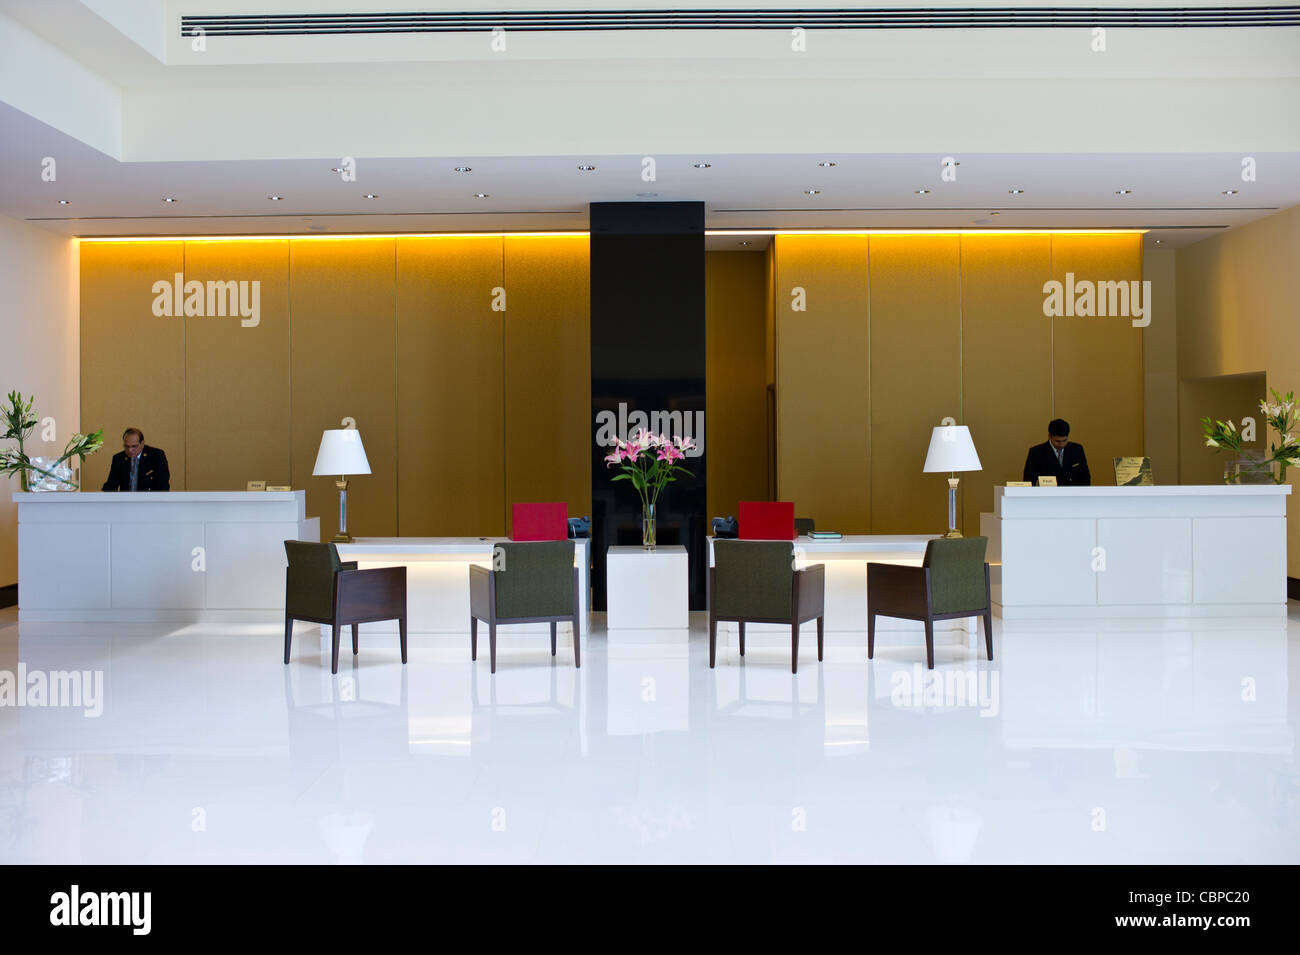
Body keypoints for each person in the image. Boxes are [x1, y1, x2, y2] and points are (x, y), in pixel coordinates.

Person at [1023, 419, 1090, 486]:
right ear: (1049, 436)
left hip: (1072, 494)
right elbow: (1029, 481)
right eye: (1057, 441)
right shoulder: (1036, 452)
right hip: (1047, 494)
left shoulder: (1077, 449)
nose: (1061, 444)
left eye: (1065, 440)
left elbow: (1085, 478)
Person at [101, 428, 170, 491]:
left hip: (149, 501)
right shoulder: (119, 458)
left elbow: (163, 484)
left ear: (142, 443)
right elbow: (111, 484)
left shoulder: (156, 455)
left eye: (134, 446)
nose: (130, 450)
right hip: (126, 502)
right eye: (126, 446)